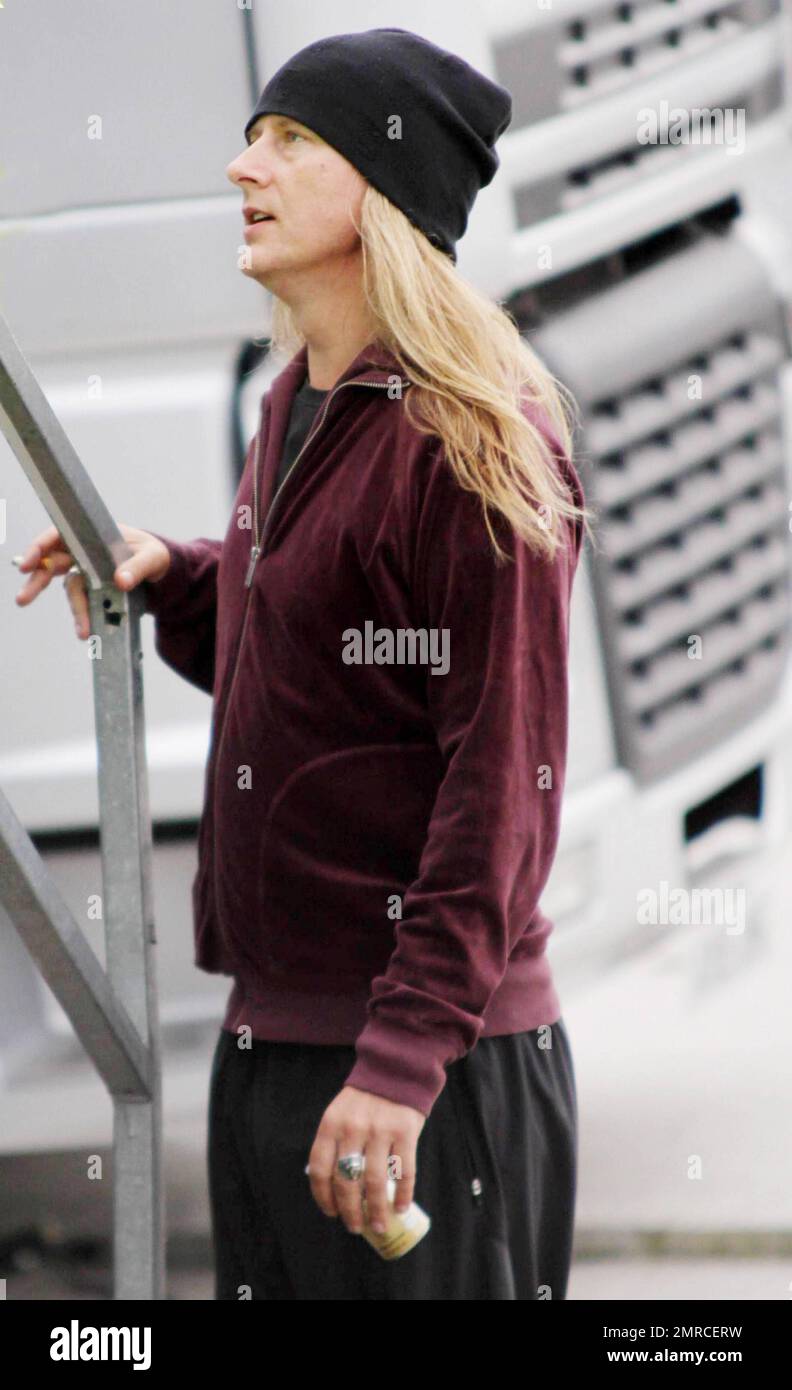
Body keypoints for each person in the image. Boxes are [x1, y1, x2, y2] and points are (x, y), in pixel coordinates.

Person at [16, 27, 592, 1300]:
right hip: (275, 1048)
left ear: (382, 191)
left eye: (291, 141)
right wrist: (177, 574)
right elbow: (328, 664)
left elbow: (501, 788)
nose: (240, 168)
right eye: (252, 136)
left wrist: (400, 1060)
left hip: (419, 1078)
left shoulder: (470, 437)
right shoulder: (301, 401)